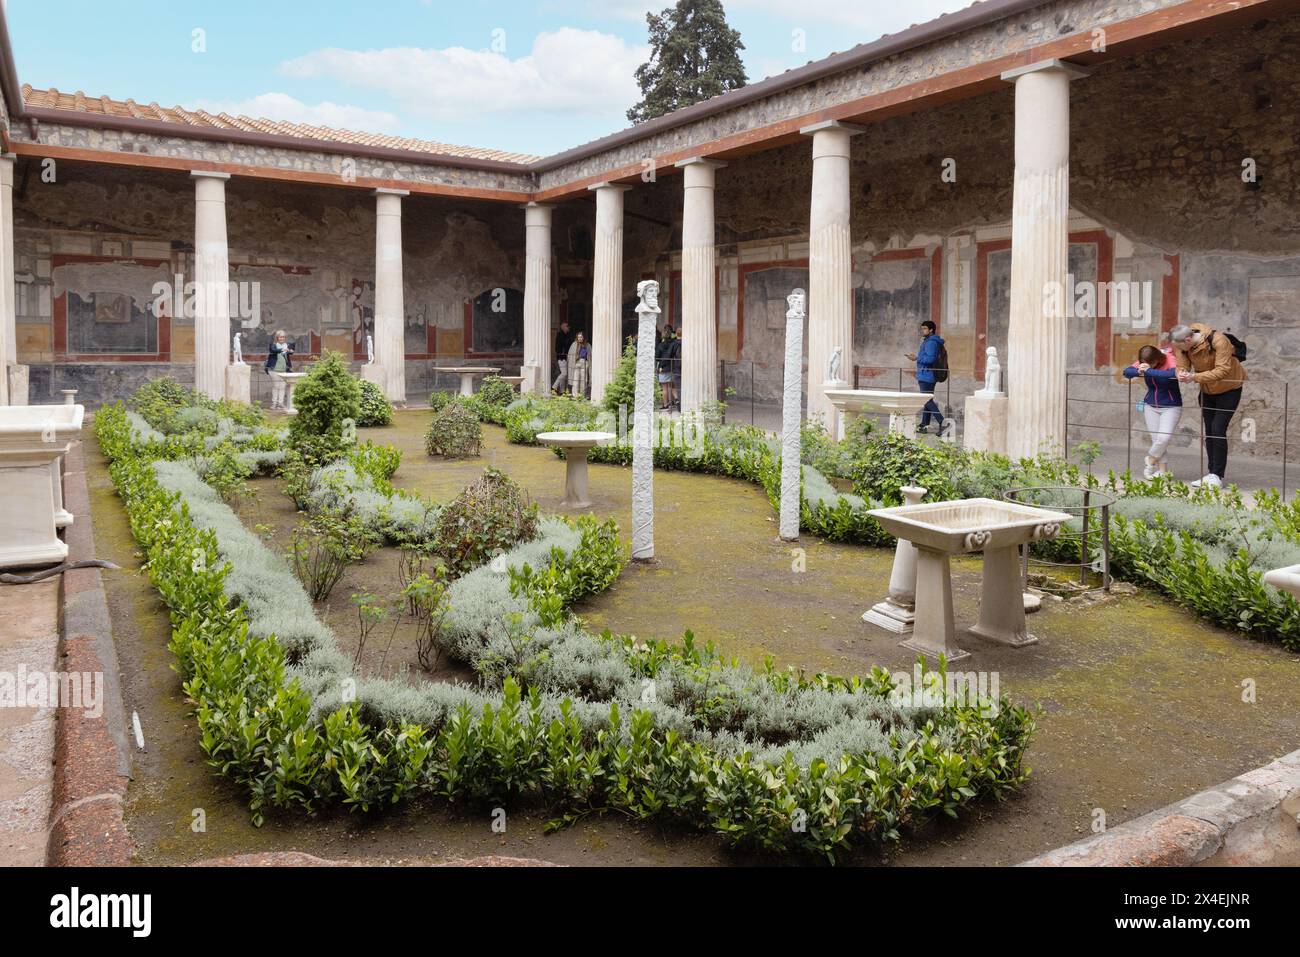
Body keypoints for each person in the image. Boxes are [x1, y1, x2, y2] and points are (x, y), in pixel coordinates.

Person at [1169, 323, 1247, 488]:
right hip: (1207, 390)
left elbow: (1223, 370)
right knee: (1210, 431)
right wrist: (1181, 373)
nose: (1178, 350)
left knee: (1218, 429)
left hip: (1229, 388)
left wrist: (1193, 377)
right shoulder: (1181, 344)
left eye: (1180, 347)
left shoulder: (1219, 340)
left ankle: (1217, 476)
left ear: (1188, 340)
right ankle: (1212, 474)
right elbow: (1181, 365)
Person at [1123, 343, 1182, 479]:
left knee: (1164, 438)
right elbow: (1127, 372)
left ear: (1158, 358)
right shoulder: (1145, 361)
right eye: (1144, 363)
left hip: (1171, 406)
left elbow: (1172, 373)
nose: (1151, 365)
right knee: (1157, 440)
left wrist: (1148, 371)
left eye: (1153, 363)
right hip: (1150, 406)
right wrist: (1139, 371)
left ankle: (1150, 459)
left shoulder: (1169, 358)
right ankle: (1163, 471)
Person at [905, 320, 946, 434]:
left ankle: (943, 422)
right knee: (927, 399)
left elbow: (930, 359)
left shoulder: (931, 342)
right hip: (926, 374)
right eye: (922, 328)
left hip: (927, 374)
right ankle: (924, 425)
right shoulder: (928, 341)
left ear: (931, 329)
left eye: (924, 328)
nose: (922, 330)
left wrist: (916, 358)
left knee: (927, 400)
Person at [264, 329, 294, 409]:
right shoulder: (273, 345)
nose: (282, 338)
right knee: (276, 386)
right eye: (280, 337)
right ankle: (274, 403)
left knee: (282, 386)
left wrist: (290, 351)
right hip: (274, 369)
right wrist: (282, 350)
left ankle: (280, 403)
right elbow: (273, 350)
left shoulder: (286, 345)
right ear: (277, 338)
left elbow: (291, 352)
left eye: (283, 337)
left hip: (284, 369)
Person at [656, 325, 678, 410]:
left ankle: (665, 404)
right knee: (672, 386)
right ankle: (676, 400)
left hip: (663, 368)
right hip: (672, 367)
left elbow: (657, 357)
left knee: (664, 388)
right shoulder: (673, 343)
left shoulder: (660, 345)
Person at [552, 320, 574, 395]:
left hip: (566, 357)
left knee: (564, 374)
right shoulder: (560, 335)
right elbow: (557, 347)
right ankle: (554, 387)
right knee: (564, 373)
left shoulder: (568, 335)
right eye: (567, 326)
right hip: (561, 357)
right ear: (563, 327)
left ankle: (562, 391)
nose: (568, 328)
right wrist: (562, 353)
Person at [568, 331, 591, 398]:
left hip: (584, 362)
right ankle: (575, 395)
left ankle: (582, 394)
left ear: (583, 337)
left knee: (584, 379)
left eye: (581, 337)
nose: (580, 338)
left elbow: (590, 355)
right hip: (577, 363)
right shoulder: (574, 344)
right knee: (575, 379)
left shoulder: (587, 345)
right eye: (578, 337)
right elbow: (570, 354)